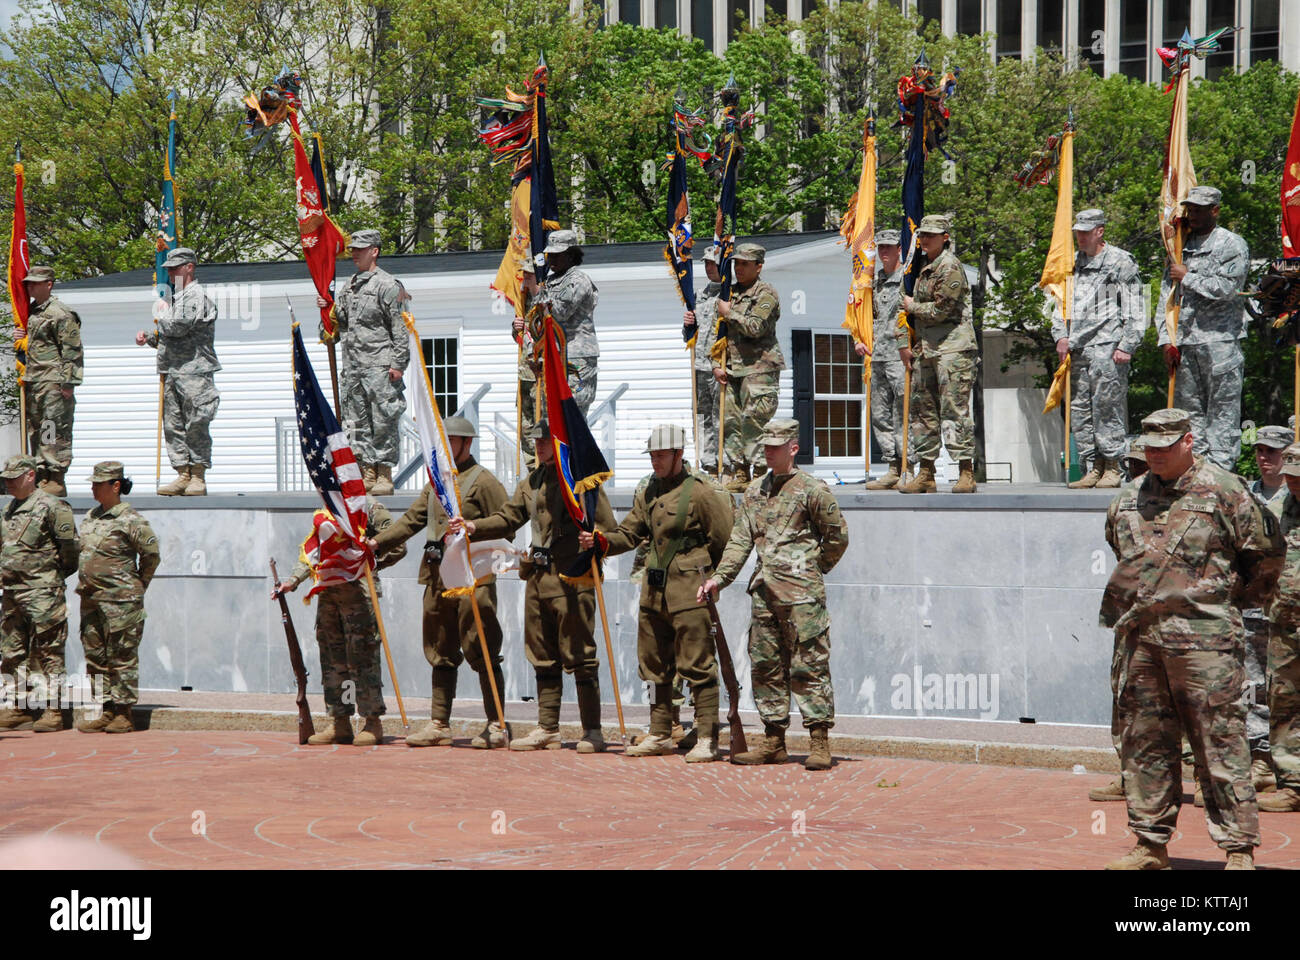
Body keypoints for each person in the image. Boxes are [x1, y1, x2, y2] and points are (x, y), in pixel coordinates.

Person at [1100, 409, 1283, 870]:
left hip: (1206, 645)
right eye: (1150, 448)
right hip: (1141, 643)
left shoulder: (1225, 490)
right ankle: (1150, 842)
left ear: (1189, 442)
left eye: (1165, 447)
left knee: (1220, 743)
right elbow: (1120, 554)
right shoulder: (1126, 499)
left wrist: (1217, 603)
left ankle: (1239, 849)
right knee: (1146, 744)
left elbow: (1264, 558)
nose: (1156, 456)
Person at [452, 419, 615, 753]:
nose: (538, 447)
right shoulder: (534, 481)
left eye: (543, 442)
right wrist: (474, 525)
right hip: (538, 578)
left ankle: (593, 731)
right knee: (542, 655)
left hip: (572, 577)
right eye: (535, 443)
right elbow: (510, 517)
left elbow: (608, 527)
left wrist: (596, 541)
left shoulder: (580, 482)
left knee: (580, 655)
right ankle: (548, 728)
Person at [700, 419, 849, 770]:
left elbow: (838, 537)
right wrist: (720, 579)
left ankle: (819, 741)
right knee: (766, 666)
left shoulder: (813, 490)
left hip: (802, 598)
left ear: (792, 448)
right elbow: (740, 540)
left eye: (775, 446)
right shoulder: (754, 491)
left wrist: (812, 570)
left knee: (809, 665)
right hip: (764, 593)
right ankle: (773, 741)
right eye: (765, 446)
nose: (767, 451)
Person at [580, 424, 733, 761]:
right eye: (652, 455)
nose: (655, 461)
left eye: (661, 455)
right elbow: (631, 532)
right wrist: (602, 543)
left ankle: (707, 736)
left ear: (679, 455)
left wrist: (713, 579)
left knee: (698, 665)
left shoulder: (701, 492)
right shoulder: (648, 490)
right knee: (654, 664)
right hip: (654, 591)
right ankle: (661, 731)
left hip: (690, 591)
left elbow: (722, 539)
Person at [370, 416, 510, 749]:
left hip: (472, 577)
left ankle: (497, 724)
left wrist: (473, 526)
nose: (445, 447)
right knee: (440, 649)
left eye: (452, 441)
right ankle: (439, 723)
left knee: (482, 648)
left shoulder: (485, 482)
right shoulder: (437, 481)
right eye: (441, 441)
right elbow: (412, 520)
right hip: (437, 576)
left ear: (467, 443)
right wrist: (378, 544)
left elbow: (508, 525)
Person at [273, 498, 405, 746]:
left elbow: (398, 545)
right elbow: (314, 553)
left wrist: (366, 561)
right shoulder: (327, 507)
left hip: (359, 597)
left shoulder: (368, 507)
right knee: (334, 661)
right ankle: (340, 722)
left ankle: (372, 722)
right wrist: (293, 580)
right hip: (329, 596)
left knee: (363, 659)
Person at [1158, 186, 1250, 471]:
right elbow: (1166, 296)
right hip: (1185, 343)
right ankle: (1195, 472)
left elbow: (1230, 288)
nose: (1192, 215)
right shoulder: (1179, 245)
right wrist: (1165, 339)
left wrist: (1189, 276)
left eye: (1199, 209)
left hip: (1220, 342)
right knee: (1190, 417)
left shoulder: (1231, 244)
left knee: (1222, 415)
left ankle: (1221, 475)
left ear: (1215, 210)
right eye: (1190, 209)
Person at [1053, 209, 1144, 489]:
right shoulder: (1070, 264)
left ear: (1100, 231)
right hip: (1077, 348)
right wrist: (1059, 335)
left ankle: (1113, 466)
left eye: (1085, 231)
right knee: (1080, 409)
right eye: (1077, 232)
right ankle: (1092, 466)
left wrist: (1128, 344)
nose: (1079, 237)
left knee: (1107, 407)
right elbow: (1057, 303)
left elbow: (1137, 305)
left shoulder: (1120, 261)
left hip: (1107, 344)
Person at [74, 462, 160, 734]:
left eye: (98, 484)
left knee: (122, 655)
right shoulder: (92, 517)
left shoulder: (131, 520)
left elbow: (151, 555)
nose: (93, 488)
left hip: (122, 601)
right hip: (91, 599)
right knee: (96, 656)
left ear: (116, 486)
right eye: (93, 483)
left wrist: (136, 585)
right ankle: (106, 708)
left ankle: (123, 713)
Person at [322, 229, 408, 496]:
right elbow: (340, 324)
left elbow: (401, 328)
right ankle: (366, 469)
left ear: (374, 251)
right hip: (354, 365)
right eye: (353, 249)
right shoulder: (349, 286)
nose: (354, 253)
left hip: (380, 365)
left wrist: (398, 364)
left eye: (360, 249)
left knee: (383, 420)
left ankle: (384, 472)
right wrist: (326, 310)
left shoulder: (389, 285)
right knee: (356, 421)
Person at [899, 214, 979, 494]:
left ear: (945, 237)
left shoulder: (950, 267)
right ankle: (926, 472)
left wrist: (912, 307)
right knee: (923, 413)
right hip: (926, 349)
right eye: (922, 235)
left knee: (955, 410)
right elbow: (902, 309)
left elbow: (940, 310)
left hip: (953, 349)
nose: (924, 240)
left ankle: (966, 471)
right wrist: (905, 342)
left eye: (931, 235)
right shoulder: (919, 266)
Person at [0, 455, 78, 732]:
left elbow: (70, 551)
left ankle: (53, 710)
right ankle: (18, 707)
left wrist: (50, 579)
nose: (8, 483)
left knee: (49, 653)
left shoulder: (52, 507)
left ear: (30, 476)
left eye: (14, 478)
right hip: (12, 594)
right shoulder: (9, 510)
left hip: (43, 592)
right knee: (11, 653)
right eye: (6, 478)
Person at [134, 247, 220, 496]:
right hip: (173, 370)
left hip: (194, 371)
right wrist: (150, 337)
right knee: (173, 425)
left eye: (174, 268)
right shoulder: (178, 299)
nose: (170, 273)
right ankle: (182, 474)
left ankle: (198, 476)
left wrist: (160, 317)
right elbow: (170, 337)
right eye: (169, 269)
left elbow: (178, 327)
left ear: (189, 268)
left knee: (197, 423)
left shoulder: (195, 297)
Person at [1241, 424, 1292, 792]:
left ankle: (1289, 765)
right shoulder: (1245, 495)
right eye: (1260, 451)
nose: (1264, 458)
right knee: (1254, 687)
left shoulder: (1294, 497)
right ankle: (1260, 759)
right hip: (1254, 610)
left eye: (1272, 452)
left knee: (1288, 691)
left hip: (1289, 613)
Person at [713, 242, 785, 493]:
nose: (739, 268)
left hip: (758, 368)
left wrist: (729, 313)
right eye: (736, 263)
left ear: (758, 266)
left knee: (753, 421)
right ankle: (740, 471)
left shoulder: (766, 293)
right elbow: (716, 333)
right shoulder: (728, 293)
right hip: (731, 368)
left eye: (745, 263)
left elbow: (756, 327)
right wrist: (715, 363)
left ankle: (761, 472)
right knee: (730, 422)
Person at [18, 265, 82, 497]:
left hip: (54, 381)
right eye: (29, 283)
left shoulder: (60, 313)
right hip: (35, 379)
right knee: (38, 429)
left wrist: (68, 382)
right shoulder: (31, 312)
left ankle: (56, 476)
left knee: (53, 428)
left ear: (49, 284)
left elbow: (72, 350)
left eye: (35, 283)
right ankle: (42, 473)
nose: (30, 287)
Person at [1260, 440, 1300, 812]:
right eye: (1290, 477)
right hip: (1285, 628)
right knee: (1283, 703)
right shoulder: (1274, 509)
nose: (1295, 484)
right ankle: (1292, 783)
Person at [856, 229, 907, 489]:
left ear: (900, 248)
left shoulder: (907, 280)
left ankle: (909, 466)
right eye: (881, 248)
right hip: (877, 357)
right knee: (879, 414)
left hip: (900, 356)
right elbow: (864, 317)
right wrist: (859, 338)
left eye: (889, 247)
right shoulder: (871, 283)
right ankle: (892, 466)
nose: (884, 252)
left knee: (903, 413)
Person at [538, 229, 600, 415]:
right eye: (550, 255)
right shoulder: (548, 281)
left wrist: (537, 293)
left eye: (558, 255)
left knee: (574, 413)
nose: (552, 260)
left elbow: (560, 312)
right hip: (552, 354)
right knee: (551, 413)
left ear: (572, 255)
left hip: (576, 355)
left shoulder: (578, 280)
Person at [683, 245, 724, 475]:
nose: (709, 267)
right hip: (698, 366)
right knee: (701, 416)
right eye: (707, 263)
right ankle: (706, 462)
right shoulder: (698, 295)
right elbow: (688, 335)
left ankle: (723, 463)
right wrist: (688, 323)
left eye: (713, 263)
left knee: (721, 418)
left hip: (719, 367)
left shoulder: (731, 295)